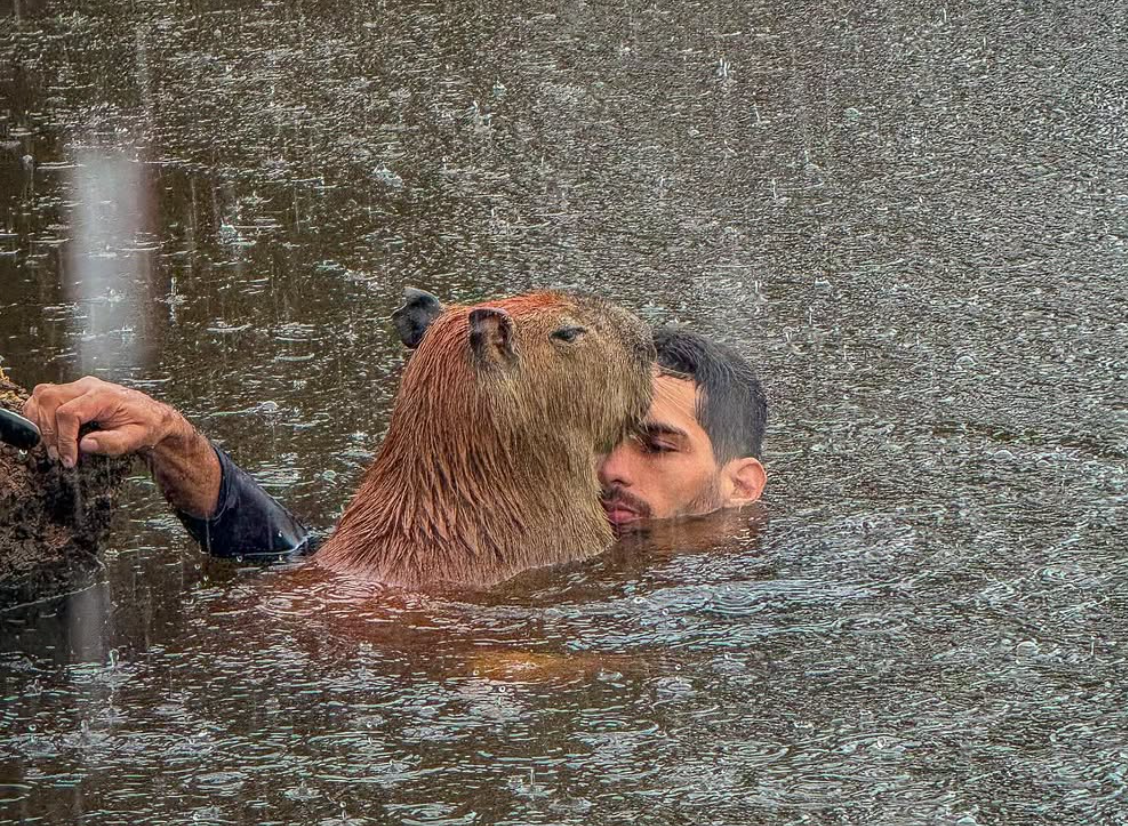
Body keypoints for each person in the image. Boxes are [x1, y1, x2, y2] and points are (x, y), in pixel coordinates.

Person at [21, 327, 767, 557]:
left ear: (741, 484)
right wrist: (170, 435)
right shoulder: (510, 529)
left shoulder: (754, 599)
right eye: (600, 439)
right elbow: (297, 561)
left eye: (657, 447)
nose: (610, 469)